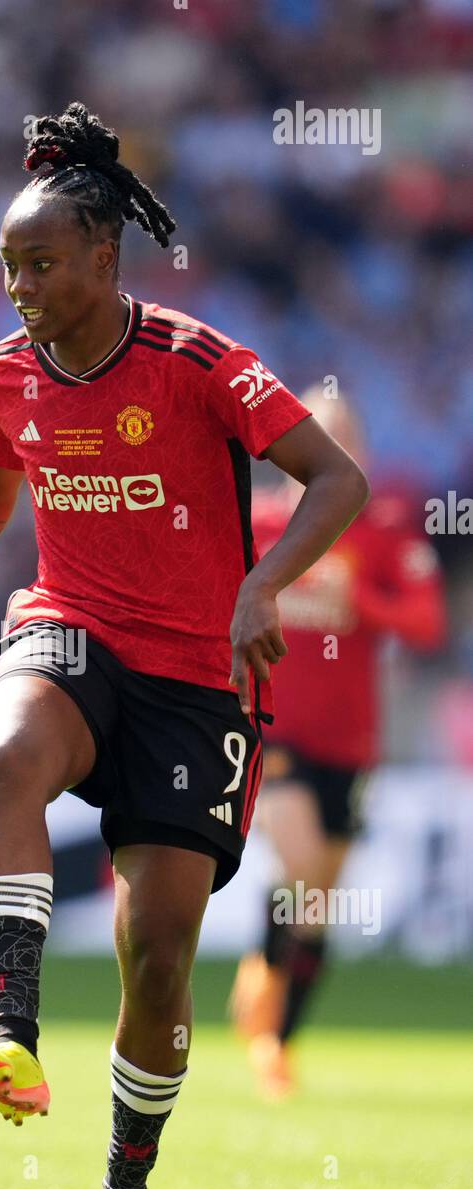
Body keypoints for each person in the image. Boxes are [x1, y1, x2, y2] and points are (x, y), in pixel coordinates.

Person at [0, 103, 369, 1189]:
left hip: (195, 683)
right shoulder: (7, 374)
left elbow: (336, 481)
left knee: (156, 958)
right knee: (8, 758)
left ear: (105, 258)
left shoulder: (201, 364)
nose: (21, 287)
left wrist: (261, 590)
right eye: (9, 266)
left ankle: (125, 1188)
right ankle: (12, 1034)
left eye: (42, 263)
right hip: (69, 628)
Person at [229, 391, 446, 1099]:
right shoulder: (255, 521)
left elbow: (426, 624)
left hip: (349, 744)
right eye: (326, 434)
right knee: (294, 864)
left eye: (349, 434)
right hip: (270, 729)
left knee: (315, 900)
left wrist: (365, 602)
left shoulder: (381, 527)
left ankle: (279, 1037)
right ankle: (265, 1011)